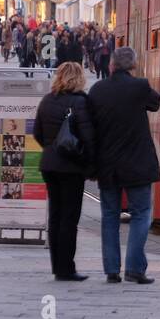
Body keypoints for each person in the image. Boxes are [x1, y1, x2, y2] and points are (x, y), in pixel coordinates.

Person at [88, 46, 160, 284]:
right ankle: (134, 269)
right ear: (133, 65)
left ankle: (111, 270)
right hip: (137, 164)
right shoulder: (139, 86)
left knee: (109, 216)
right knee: (141, 214)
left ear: (111, 65)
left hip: (107, 164)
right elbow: (155, 103)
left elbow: (90, 124)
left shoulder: (98, 89)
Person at [34, 62, 96, 281]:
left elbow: (37, 133)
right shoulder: (80, 102)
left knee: (56, 216)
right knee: (69, 219)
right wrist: (89, 163)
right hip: (71, 167)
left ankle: (57, 266)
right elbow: (88, 138)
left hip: (49, 165)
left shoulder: (47, 100)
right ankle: (66, 268)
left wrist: (51, 148)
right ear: (79, 78)